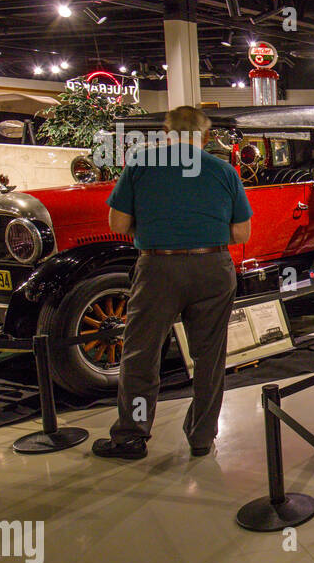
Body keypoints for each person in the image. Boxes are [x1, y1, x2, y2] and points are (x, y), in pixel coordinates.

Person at [92, 106, 251, 460]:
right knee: (210, 357)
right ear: (206, 137)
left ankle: (132, 436)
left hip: (158, 267)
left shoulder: (140, 164)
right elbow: (242, 232)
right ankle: (201, 437)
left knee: (140, 355)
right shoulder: (223, 170)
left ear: (166, 133)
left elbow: (118, 223)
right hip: (212, 266)